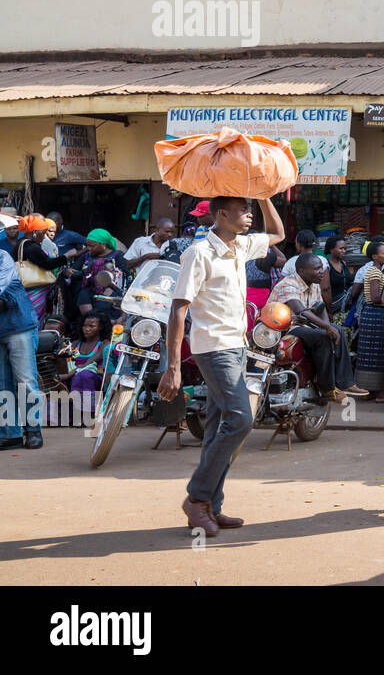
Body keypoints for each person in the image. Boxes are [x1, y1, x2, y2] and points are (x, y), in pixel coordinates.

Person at [159, 195, 286, 537]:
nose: (249, 216)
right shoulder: (198, 253)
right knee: (241, 420)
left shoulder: (241, 246)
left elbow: (277, 233)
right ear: (221, 214)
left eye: (249, 210)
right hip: (213, 349)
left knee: (217, 428)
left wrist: (264, 197)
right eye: (243, 210)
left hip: (237, 347)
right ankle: (197, 498)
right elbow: (177, 311)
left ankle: (212, 506)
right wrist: (172, 366)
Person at [268, 254, 367, 402]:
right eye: (317, 269)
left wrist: (329, 327)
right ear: (302, 271)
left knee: (336, 330)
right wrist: (325, 328)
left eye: (321, 267)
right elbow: (300, 310)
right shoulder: (288, 284)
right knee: (324, 336)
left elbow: (320, 309)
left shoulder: (313, 284)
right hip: (286, 328)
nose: (322, 271)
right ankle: (327, 387)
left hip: (304, 326)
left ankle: (346, 383)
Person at [0, 248, 41, 450]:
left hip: (18, 326)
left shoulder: (2, 257)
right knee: (2, 385)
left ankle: (33, 431)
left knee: (25, 381)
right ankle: (10, 435)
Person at [6, 215, 76, 323]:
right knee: (33, 319)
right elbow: (48, 264)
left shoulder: (20, 244)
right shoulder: (31, 247)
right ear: (35, 232)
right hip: (33, 290)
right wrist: (66, 256)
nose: (44, 237)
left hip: (23, 290)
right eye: (43, 233)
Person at [353, 240, 384, 397]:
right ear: (375, 256)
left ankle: (370, 388)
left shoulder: (375, 270)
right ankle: (378, 390)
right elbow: (376, 297)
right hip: (376, 315)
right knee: (378, 353)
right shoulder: (375, 272)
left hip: (371, 315)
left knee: (369, 353)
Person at [62, 308, 114, 414]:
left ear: (101, 327)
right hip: (74, 377)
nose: (87, 329)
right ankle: (61, 416)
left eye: (92, 326)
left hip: (95, 380)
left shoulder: (105, 344)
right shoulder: (76, 344)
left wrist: (70, 374)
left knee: (85, 374)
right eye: (85, 326)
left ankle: (87, 413)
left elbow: (88, 363)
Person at [76, 228, 128, 316]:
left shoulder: (118, 256)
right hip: (89, 293)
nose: (89, 248)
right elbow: (74, 270)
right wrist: (68, 272)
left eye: (92, 246)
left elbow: (126, 273)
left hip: (112, 290)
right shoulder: (86, 256)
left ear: (103, 244)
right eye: (87, 245)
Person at [244, 244, 285, 312]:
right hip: (261, 296)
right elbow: (283, 261)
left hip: (242, 293)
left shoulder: (238, 254)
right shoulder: (264, 256)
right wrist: (272, 245)